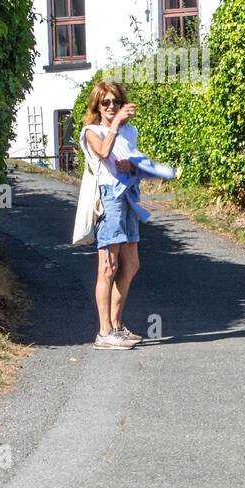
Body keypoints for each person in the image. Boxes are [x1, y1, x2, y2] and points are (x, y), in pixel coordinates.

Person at [79, 81, 145, 350]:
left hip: (129, 196)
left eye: (116, 102)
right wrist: (115, 124)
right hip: (109, 198)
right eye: (105, 102)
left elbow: (138, 165)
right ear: (97, 105)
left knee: (130, 265)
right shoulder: (91, 131)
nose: (110, 107)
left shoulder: (132, 131)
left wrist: (133, 166)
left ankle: (117, 326)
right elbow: (104, 152)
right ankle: (103, 333)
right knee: (108, 267)